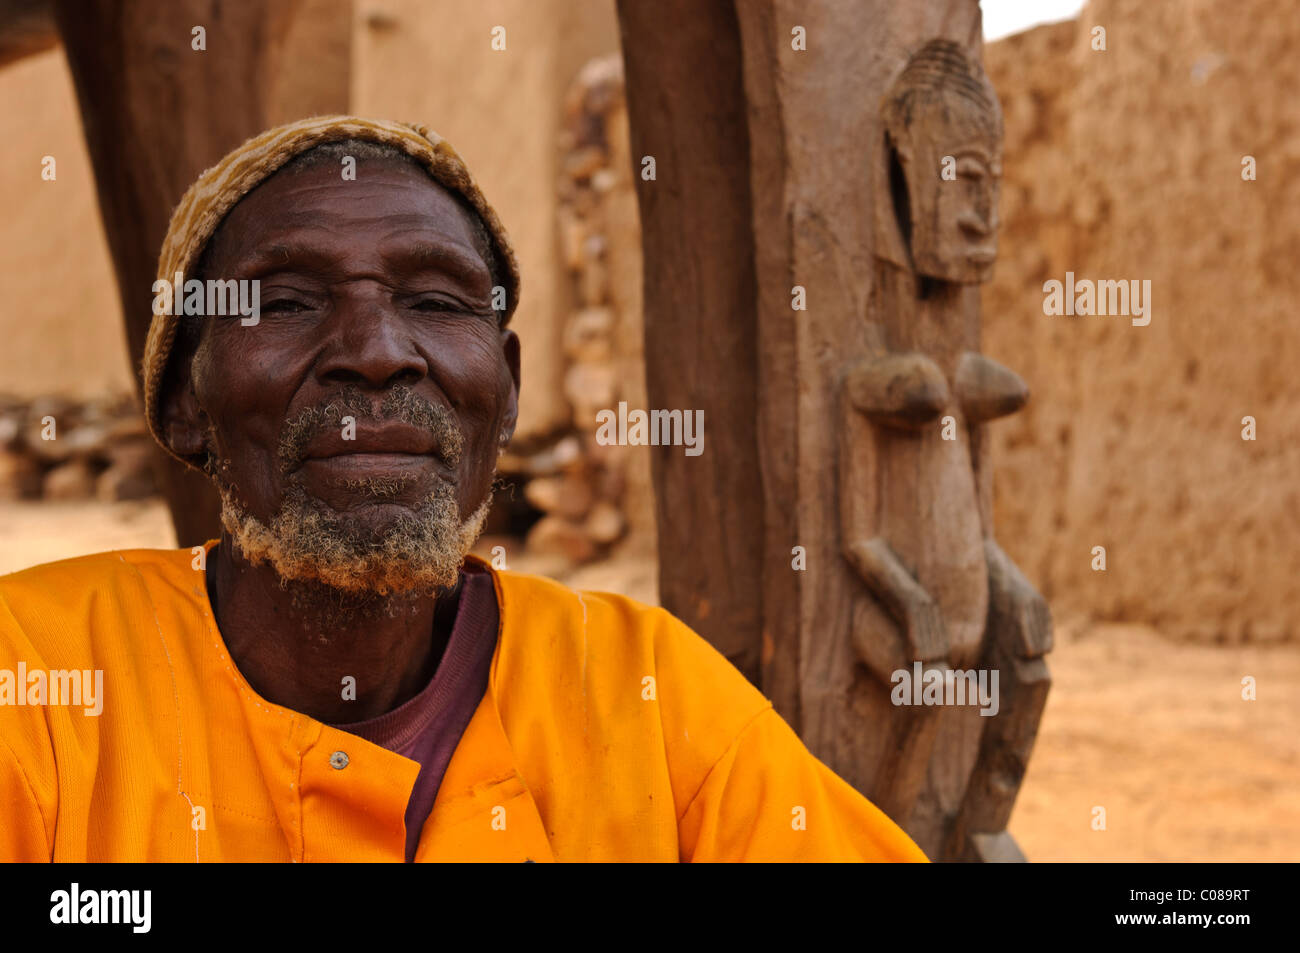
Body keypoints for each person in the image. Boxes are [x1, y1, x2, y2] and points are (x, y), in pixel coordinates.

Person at [0, 116, 926, 863]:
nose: (375, 353)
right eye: (283, 303)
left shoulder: (649, 699)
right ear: (183, 398)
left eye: (437, 304)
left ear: (508, 391)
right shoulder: (37, 685)